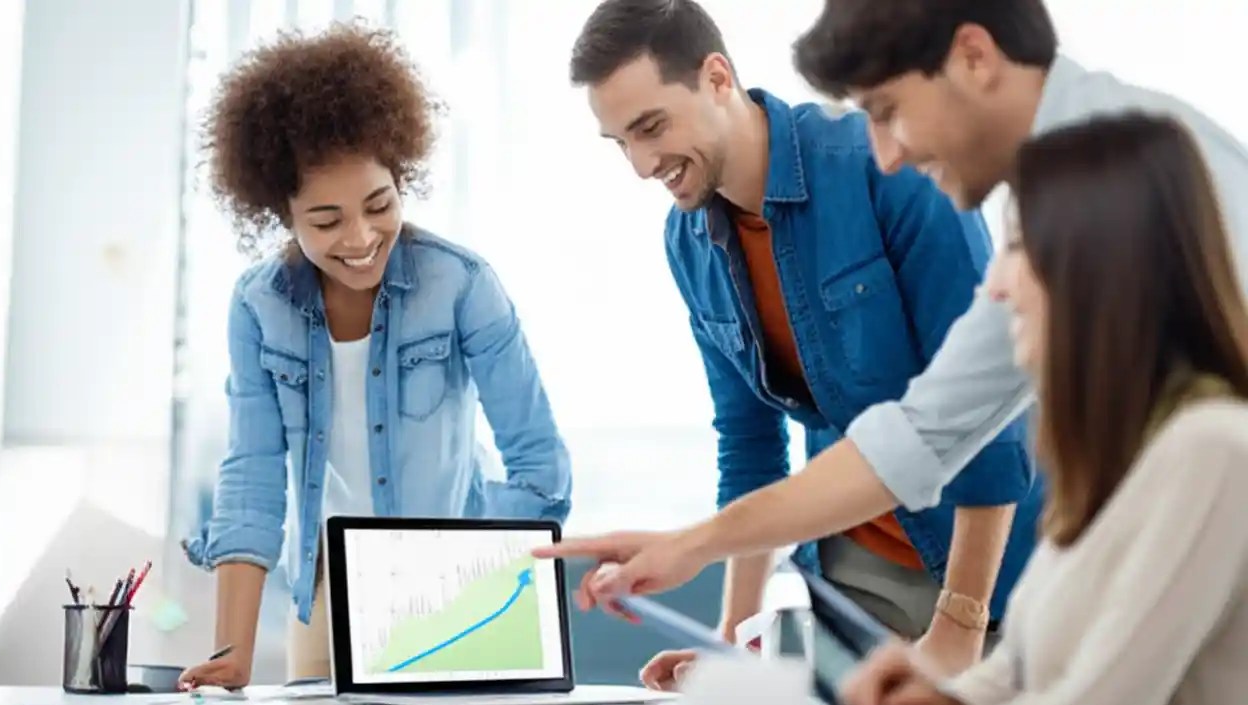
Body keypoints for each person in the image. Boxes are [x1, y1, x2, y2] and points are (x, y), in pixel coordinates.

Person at [535, 0, 1248, 638]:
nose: (887, 149)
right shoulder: (1055, 200)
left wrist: (962, 630)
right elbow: (919, 433)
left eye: (887, 109)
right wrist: (695, 560)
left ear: (973, 56)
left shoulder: (1143, 173)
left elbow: (973, 439)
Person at [565, 0, 1040, 687]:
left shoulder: (888, 169)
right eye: (620, 143)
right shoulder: (688, 241)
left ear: (718, 78)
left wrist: (961, 624)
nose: (642, 165)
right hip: (855, 574)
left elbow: (991, 419)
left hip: (992, 567)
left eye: (651, 126)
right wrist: (734, 644)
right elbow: (750, 444)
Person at [178, 23, 571, 688]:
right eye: (326, 221)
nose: (360, 238)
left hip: (456, 586)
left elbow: (540, 467)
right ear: (283, 213)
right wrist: (230, 654)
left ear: (402, 174)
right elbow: (251, 479)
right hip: (331, 591)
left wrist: (468, 564)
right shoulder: (257, 307)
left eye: (379, 204)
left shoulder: (462, 286)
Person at [840, 113, 1248, 705]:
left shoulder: (1212, 449)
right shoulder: (1119, 457)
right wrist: (942, 701)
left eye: (1019, 248)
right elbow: (1025, 667)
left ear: (1102, 266)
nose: (995, 287)